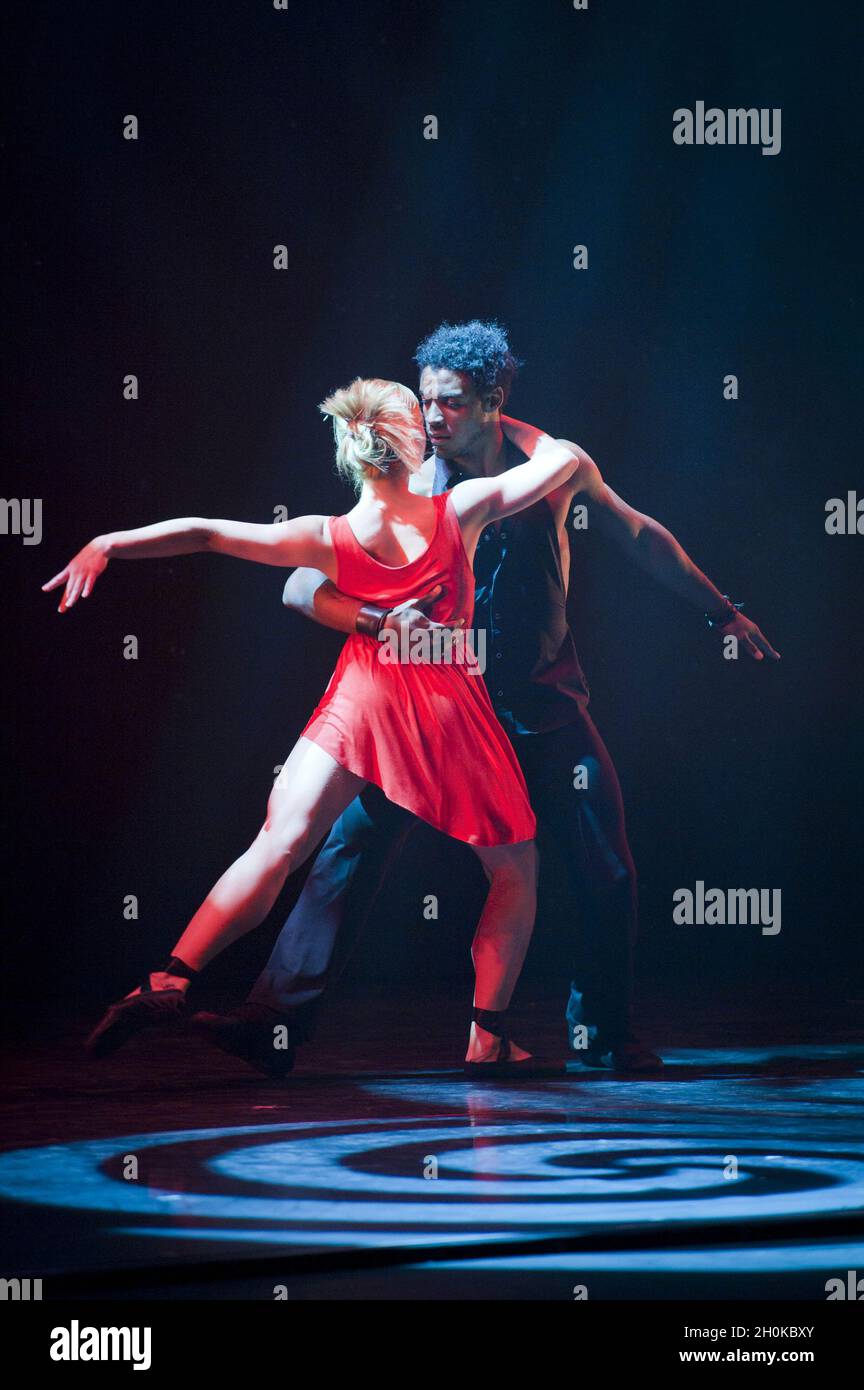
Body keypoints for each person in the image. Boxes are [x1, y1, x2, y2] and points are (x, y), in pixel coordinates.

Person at [194, 320, 780, 1078]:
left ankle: (601, 1035)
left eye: (451, 403)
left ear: (494, 400)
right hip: (433, 712)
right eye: (426, 401)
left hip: (539, 703)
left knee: (606, 867)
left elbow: (637, 534)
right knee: (347, 847)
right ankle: (272, 1020)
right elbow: (303, 579)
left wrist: (719, 609)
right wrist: (373, 619)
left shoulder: (551, 465)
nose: (431, 418)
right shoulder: (407, 481)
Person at [43, 377, 583, 1074]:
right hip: (446, 705)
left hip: (364, 696)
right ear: (412, 442)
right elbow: (562, 460)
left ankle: (170, 977)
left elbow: (207, 533)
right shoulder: (461, 510)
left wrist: (109, 542)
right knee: (514, 869)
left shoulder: (324, 536)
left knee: (278, 843)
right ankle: (487, 1038)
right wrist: (503, 418)